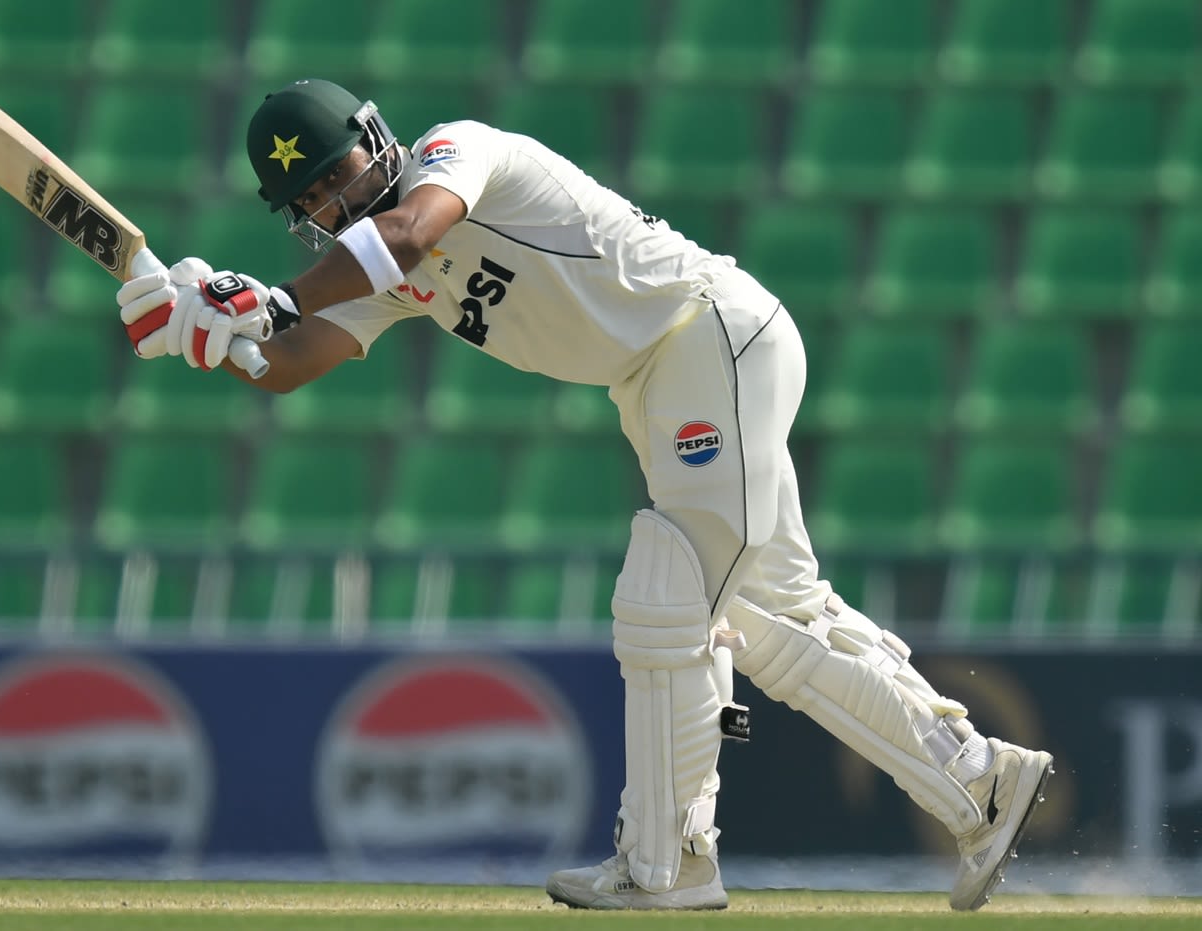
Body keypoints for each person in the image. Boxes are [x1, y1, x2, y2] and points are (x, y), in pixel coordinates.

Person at [115, 79, 1054, 912]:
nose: (332, 198)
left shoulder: (458, 150)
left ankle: (669, 864)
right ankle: (979, 781)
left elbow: (406, 230)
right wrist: (203, 331)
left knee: (669, 593)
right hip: (659, 379)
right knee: (768, 613)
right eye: (310, 197)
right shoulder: (379, 271)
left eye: (337, 170)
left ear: (379, 135)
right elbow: (294, 362)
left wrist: (270, 299)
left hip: (706, 333)